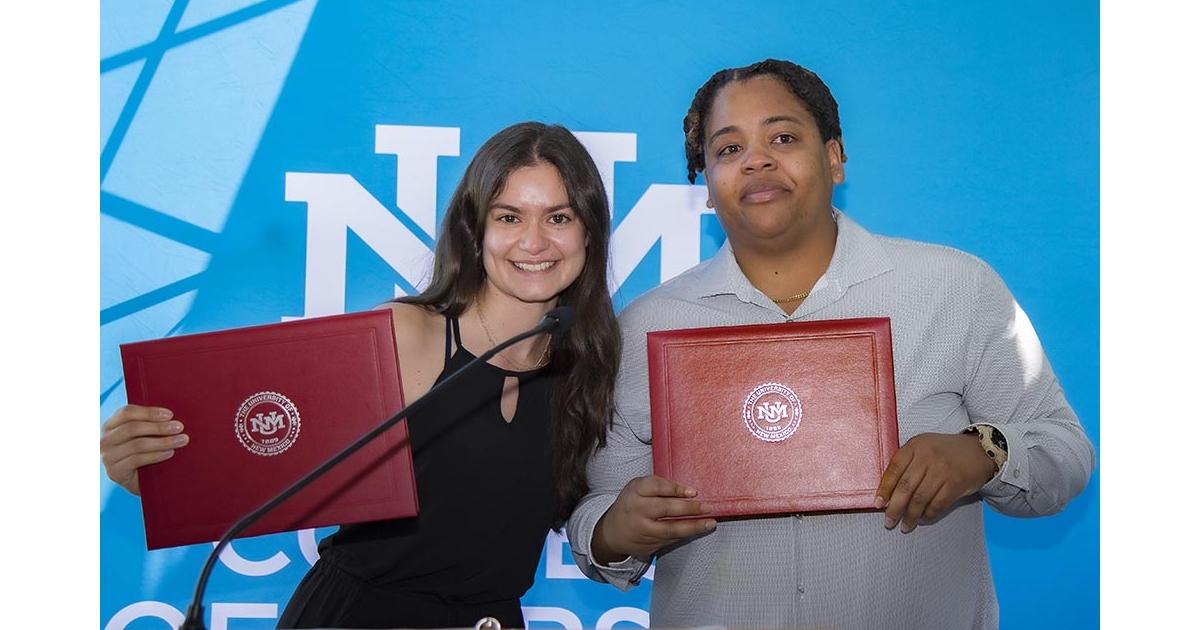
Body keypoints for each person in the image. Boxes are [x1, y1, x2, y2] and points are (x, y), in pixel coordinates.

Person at [565, 58, 1096, 629]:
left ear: (836, 158)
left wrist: (984, 451)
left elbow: (1064, 453)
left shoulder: (956, 289)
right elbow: (596, 514)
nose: (758, 160)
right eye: (728, 149)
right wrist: (615, 529)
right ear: (707, 190)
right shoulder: (646, 328)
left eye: (784, 136)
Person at [100, 121, 621, 629]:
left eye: (559, 217)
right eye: (509, 217)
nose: (534, 241)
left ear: (589, 231)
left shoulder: (590, 368)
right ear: (475, 228)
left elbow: (591, 516)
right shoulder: (403, 333)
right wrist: (150, 472)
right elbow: (260, 451)